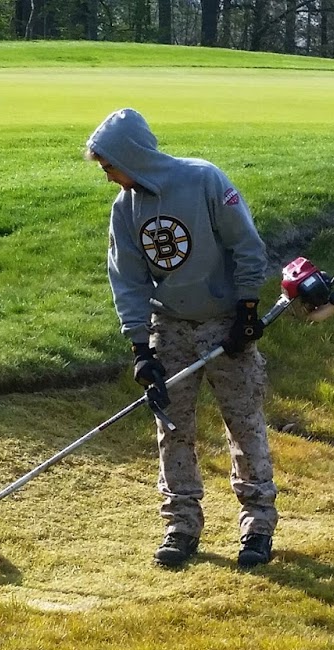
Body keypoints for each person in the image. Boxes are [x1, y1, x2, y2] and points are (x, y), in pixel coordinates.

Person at [85, 107, 278, 569]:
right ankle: (181, 527)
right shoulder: (125, 209)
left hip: (225, 321)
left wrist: (247, 311)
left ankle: (257, 529)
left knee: (244, 425)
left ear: (130, 156)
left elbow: (246, 246)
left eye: (110, 166)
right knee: (172, 430)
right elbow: (127, 281)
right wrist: (140, 348)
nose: (109, 177)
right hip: (168, 326)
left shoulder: (205, 180)